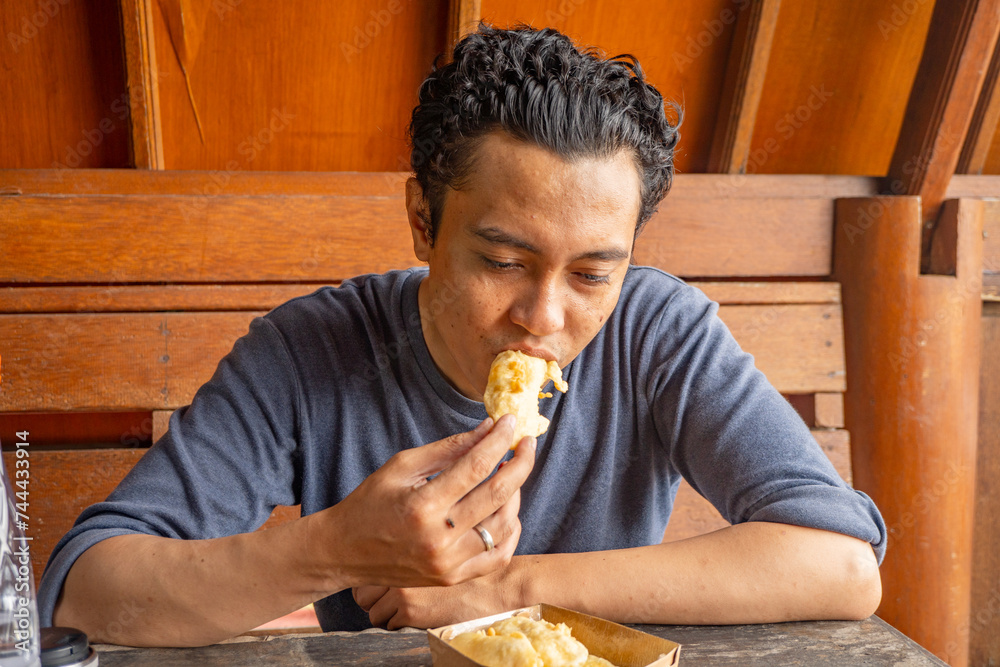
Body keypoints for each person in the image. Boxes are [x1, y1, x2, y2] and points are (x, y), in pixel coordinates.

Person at [40, 25, 886, 647]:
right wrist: (332, 547)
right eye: (503, 259)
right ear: (422, 220)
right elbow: (87, 587)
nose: (546, 318)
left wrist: (513, 587)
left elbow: (841, 564)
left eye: (593, 274)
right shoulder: (311, 351)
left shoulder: (657, 331)